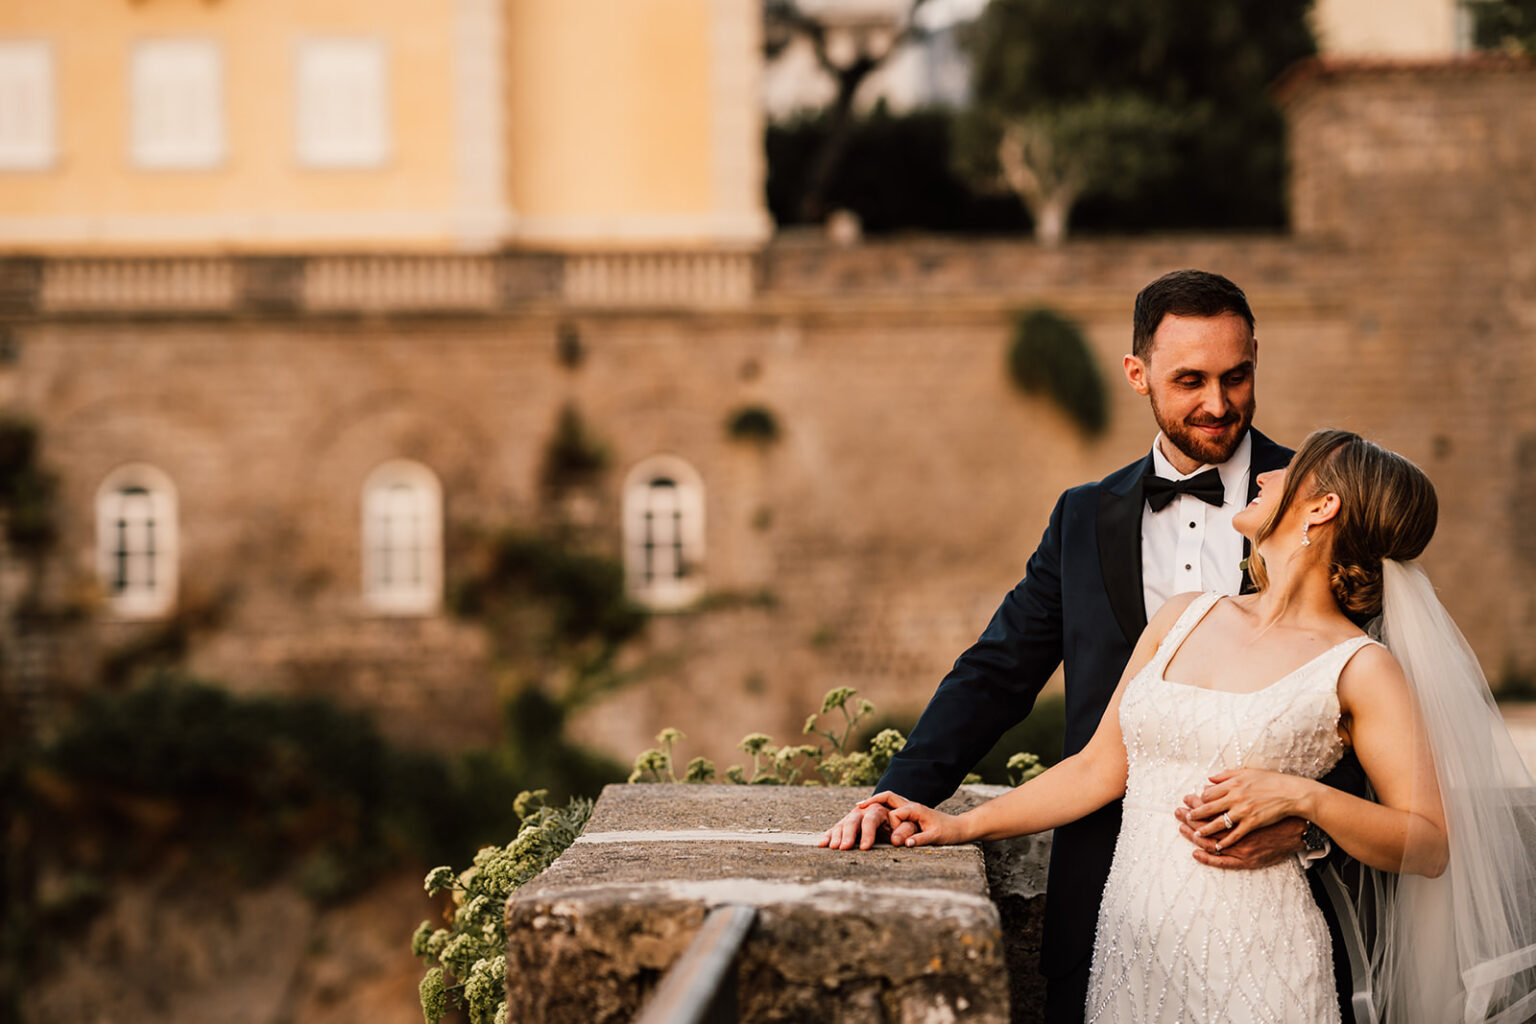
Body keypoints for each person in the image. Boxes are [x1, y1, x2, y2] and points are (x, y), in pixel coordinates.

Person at [821, 269, 1365, 1022]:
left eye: (1237, 376)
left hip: (1278, 909)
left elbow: (1368, 694)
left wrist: (1310, 825)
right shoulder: (1082, 519)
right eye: (1190, 380)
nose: (1218, 403)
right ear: (1137, 375)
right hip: (1112, 889)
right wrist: (902, 791)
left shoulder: (1317, 503)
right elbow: (1000, 669)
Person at [850, 429, 1536, 1024]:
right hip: (1133, 945)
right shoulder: (1182, 616)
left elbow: (1429, 841)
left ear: (1321, 507)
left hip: (1261, 959)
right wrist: (957, 824)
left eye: (1287, 476)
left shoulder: (1360, 666)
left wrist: (1305, 798)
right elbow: (1097, 769)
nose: (1265, 474)